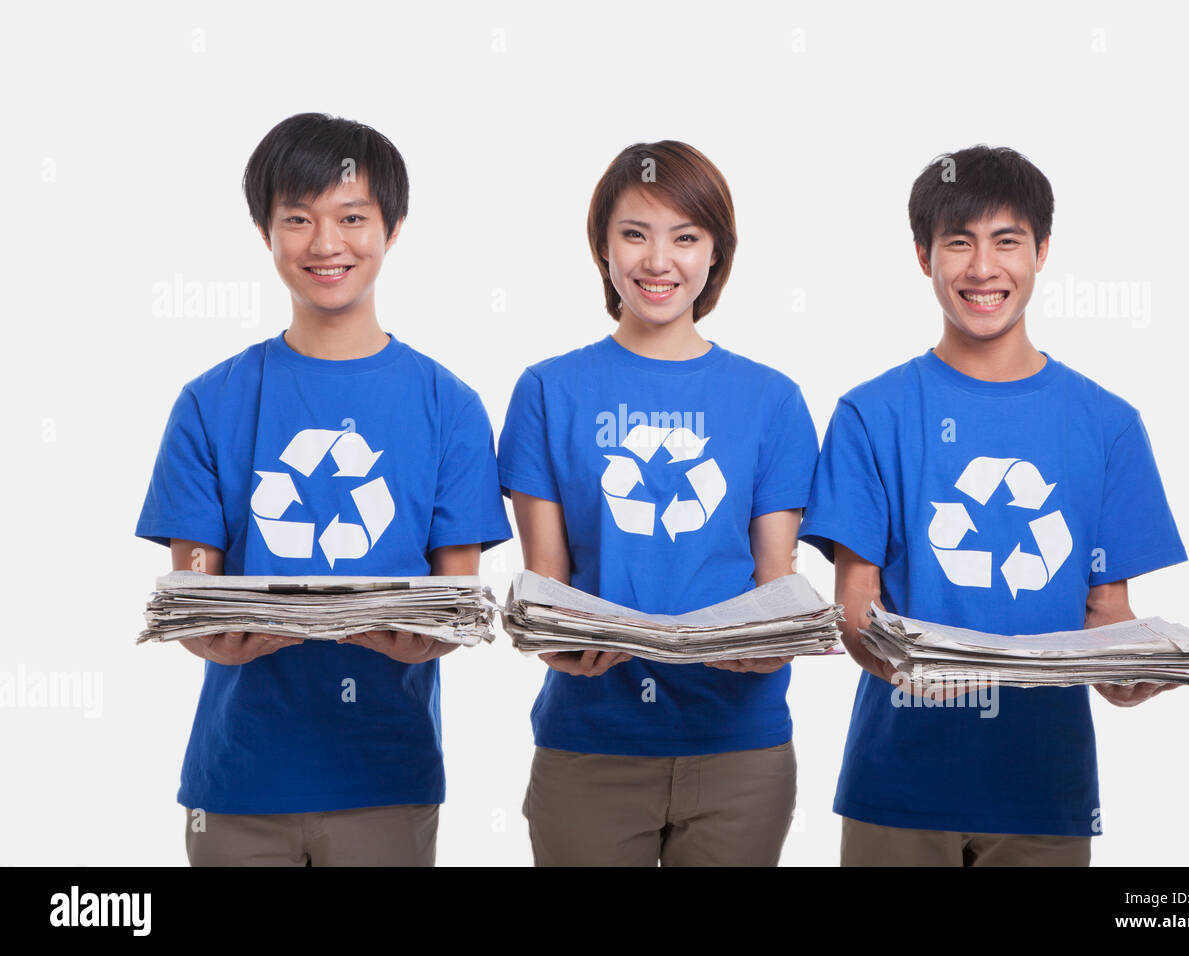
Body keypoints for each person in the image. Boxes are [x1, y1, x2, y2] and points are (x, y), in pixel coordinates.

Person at [134, 113, 511, 866]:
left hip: (386, 776)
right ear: (265, 230)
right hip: (239, 782)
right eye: (297, 219)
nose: (326, 243)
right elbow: (196, 591)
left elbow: (456, 599)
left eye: (351, 217)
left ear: (393, 227)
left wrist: (429, 636)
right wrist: (209, 636)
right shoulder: (210, 403)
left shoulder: (451, 406)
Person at [799, 145, 1188, 867]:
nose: (983, 269)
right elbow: (855, 606)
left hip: (1045, 790)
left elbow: (1106, 610)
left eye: (1007, 242)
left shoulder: (1106, 424)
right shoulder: (870, 415)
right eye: (959, 243)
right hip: (900, 787)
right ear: (923, 256)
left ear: (1041, 251)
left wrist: (1133, 671)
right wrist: (906, 665)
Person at [497, 140, 820, 866]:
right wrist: (553, 639)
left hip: (739, 750)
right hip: (590, 743)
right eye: (634, 234)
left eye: (686, 237)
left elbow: (775, 577)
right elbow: (546, 577)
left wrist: (773, 647)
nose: (657, 260)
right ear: (602, 249)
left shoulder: (772, 400)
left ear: (715, 255)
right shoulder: (549, 392)